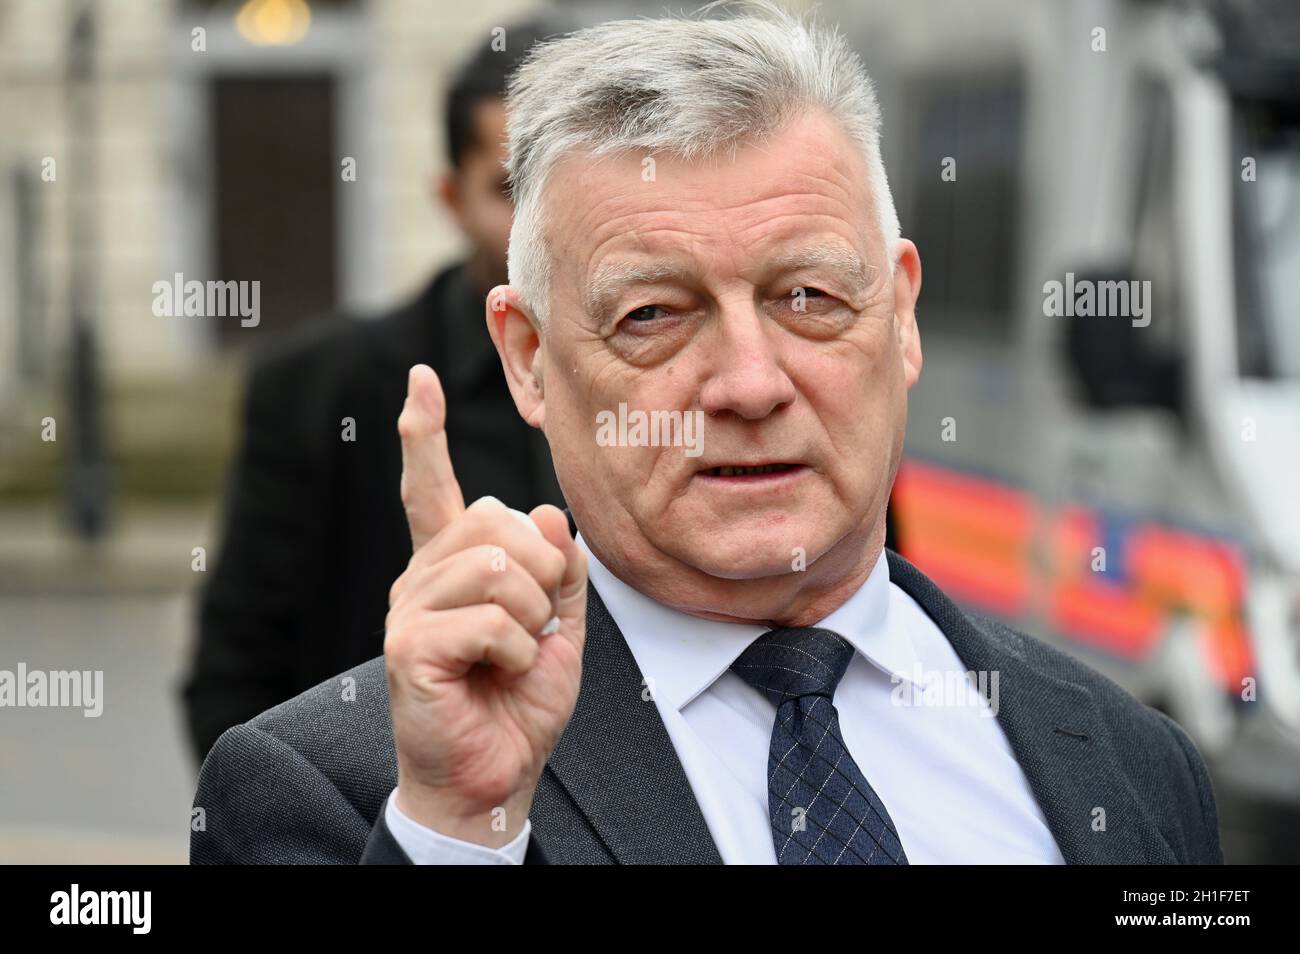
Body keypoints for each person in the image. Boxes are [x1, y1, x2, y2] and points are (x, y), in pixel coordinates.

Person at [191, 2, 1223, 864]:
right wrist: (463, 834)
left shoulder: (1130, 766)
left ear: (900, 316)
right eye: (653, 315)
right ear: (528, 358)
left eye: (810, 296)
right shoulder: (342, 795)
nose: (747, 381)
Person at [181, 19, 567, 761]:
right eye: (513, 190)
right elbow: (234, 683)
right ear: (450, 198)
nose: (548, 231)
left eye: (571, 188)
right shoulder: (318, 391)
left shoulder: (691, 382)